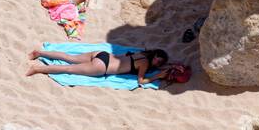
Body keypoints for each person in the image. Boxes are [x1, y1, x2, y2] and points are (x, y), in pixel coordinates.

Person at [26, 47, 174, 83]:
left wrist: (164, 67)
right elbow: (141, 81)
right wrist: (157, 77)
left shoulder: (142, 53)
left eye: (159, 62)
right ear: (154, 57)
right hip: (102, 67)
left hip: (102, 54)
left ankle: (39, 53)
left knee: (69, 57)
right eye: (157, 60)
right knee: (68, 68)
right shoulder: (144, 64)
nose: (157, 62)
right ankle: (37, 68)